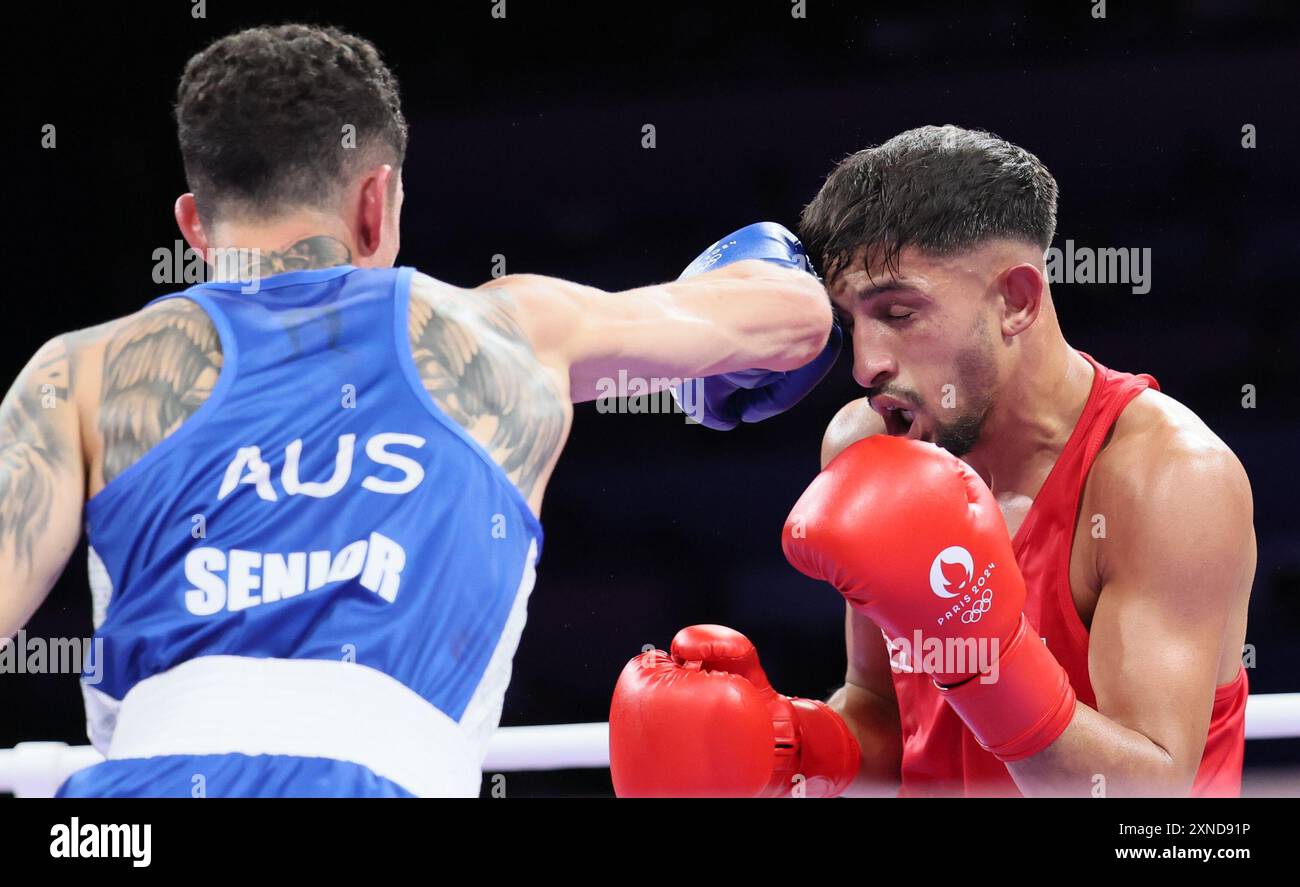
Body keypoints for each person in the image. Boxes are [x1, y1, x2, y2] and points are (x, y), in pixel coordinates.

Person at [0, 23, 838, 797]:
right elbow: (796, 315)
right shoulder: (510, 335)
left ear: (194, 227)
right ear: (378, 200)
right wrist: (693, 359)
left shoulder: (80, 371)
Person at [610, 125, 1254, 797]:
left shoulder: (1166, 478)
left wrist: (986, 656)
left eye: (898, 310)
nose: (866, 364)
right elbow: (885, 713)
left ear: (1017, 299)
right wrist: (786, 744)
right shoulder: (868, 443)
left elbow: (1150, 797)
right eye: (852, 321)